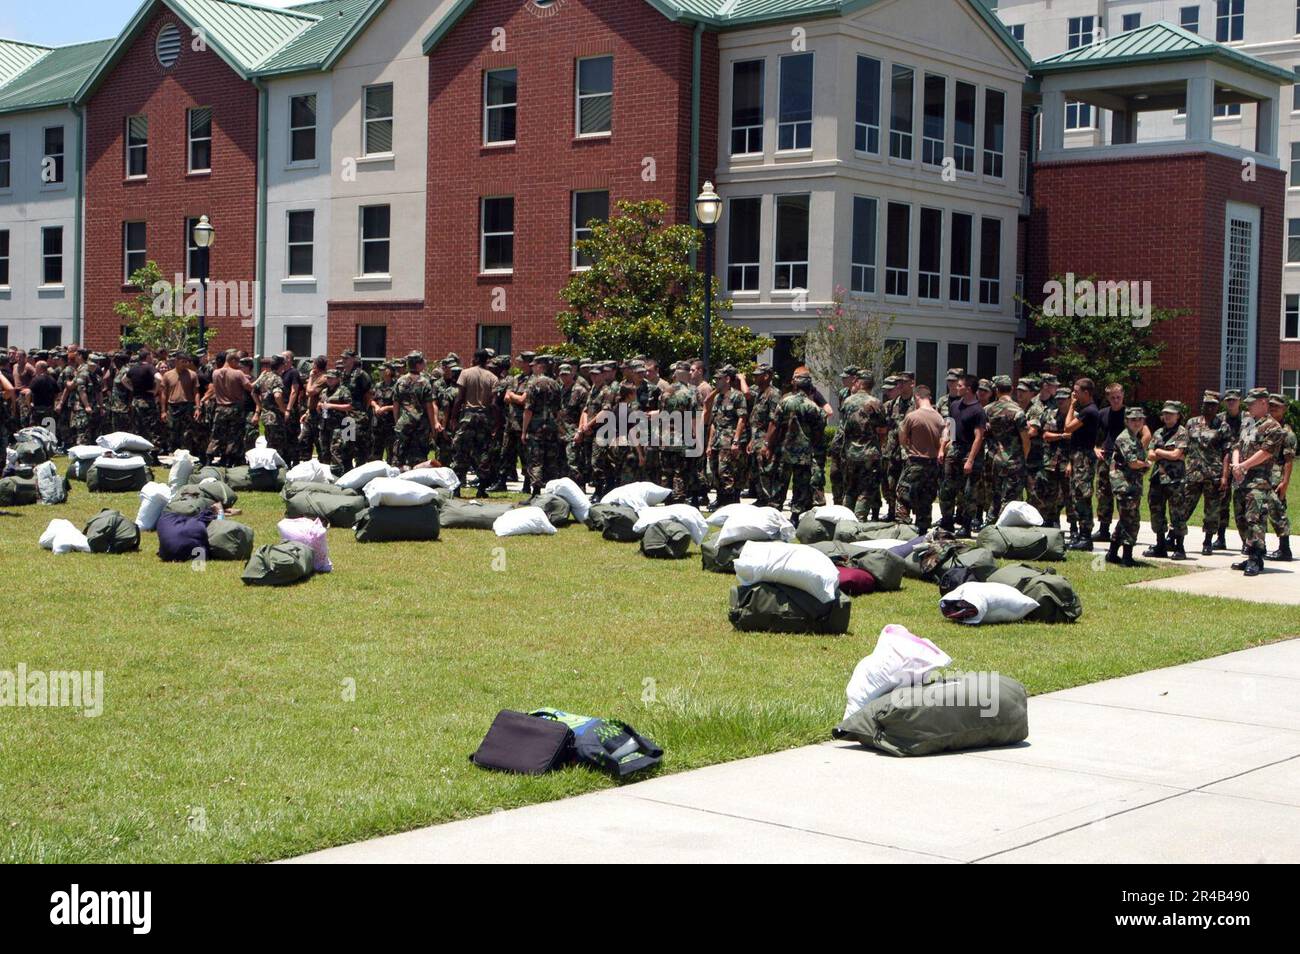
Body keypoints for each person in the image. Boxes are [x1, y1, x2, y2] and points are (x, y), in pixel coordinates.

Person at [1231, 389, 1286, 577]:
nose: (1248, 406)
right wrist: (1236, 465)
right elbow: (1237, 445)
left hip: (1259, 482)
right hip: (1241, 479)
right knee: (1240, 518)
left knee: (1255, 519)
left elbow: (1266, 452)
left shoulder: (1273, 427)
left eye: (1252, 403)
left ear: (1263, 402)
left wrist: (1244, 466)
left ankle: (1255, 557)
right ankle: (1251, 553)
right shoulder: (1247, 422)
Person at [767, 371, 824, 522]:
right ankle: (795, 516)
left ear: (796, 385)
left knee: (780, 483)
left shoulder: (785, 402)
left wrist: (768, 445)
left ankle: (774, 512)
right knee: (800, 486)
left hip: (784, 450)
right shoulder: (813, 407)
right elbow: (819, 432)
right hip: (804, 454)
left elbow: (774, 425)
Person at [938, 374, 987, 537]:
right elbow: (949, 427)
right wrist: (942, 448)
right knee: (947, 489)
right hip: (955, 449)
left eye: (959, 385)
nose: (956, 388)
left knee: (969, 492)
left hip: (970, 452)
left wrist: (971, 460)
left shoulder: (978, 411)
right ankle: (947, 522)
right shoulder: (954, 405)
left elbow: (979, 437)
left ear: (968, 389)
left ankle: (966, 525)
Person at [1185, 391, 1232, 556]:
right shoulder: (1191, 423)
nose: (1209, 407)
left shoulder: (1223, 426)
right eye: (1207, 404)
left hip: (1213, 475)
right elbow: (1184, 446)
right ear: (1202, 404)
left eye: (1213, 405)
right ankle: (1175, 537)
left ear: (1217, 406)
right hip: (1192, 473)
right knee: (1184, 506)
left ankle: (1208, 541)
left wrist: (1225, 476)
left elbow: (1227, 453)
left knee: (1212, 511)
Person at [838, 370, 888, 522]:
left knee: (850, 489)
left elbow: (843, 426)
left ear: (859, 383)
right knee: (866, 490)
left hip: (850, 452)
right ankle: (859, 520)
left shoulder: (847, 402)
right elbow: (882, 429)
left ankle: (845, 520)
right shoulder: (876, 403)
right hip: (870, 453)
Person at [1145, 401, 1190, 560]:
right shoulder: (1158, 432)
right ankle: (1160, 546)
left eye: (1171, 414)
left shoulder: (1181, 432)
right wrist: (1165, 452)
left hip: (1175, 480)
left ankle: (1180, 547)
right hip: (1158, 478)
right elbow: (1149, 455)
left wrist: (1158, 451)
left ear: (1178, 415)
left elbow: (1176, 455)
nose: (1168, 416)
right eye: (1165, 414)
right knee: (1156, 511)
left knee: (1177, 513)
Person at [451, 349, 500, 496]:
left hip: (467, 416)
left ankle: (457, 487)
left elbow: (459, 398)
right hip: (484, 417)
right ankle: (481, 488)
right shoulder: (492, 378)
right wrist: (496, 423)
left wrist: (453, 417)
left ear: (476, 358)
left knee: (461, 451)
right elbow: (494, 404)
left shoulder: (465, 373)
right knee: (483, 453)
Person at [1106, 407, 1150, 567]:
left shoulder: (1134, 438)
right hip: (1125, 485)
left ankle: (1112, 553)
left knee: (1126, 519)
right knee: (1131, 520)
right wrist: (1147, 463)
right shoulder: (1125, 438)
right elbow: (1132, 463)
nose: (1137, 422)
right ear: (1126, 421)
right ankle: (1127, 557)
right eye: (1133, 420)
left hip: (1131, 484)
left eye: (1139, 419)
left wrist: (1143, 465)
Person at [1061, 378, 1102, 550]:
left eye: (1076, 391)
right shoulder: (1085, 410)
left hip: (1084, 458)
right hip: (1077, 456)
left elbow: (1068, 427)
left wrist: (1071, 405)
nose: (1074, 394)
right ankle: (1080, 534)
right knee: (1076, 494)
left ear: (1086, 393)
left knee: (1083, 494)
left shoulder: (1090, 411)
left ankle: (1086, 535)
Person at [896, 385, 944, 531]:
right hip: (932, 464)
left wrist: (907, 447)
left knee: (903, 494)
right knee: (926, 498)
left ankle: (903, 529)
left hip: (915, 462)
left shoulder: (912, 416)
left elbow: (902, 437)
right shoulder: (939, 418)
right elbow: (945, 440)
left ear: (917, 397)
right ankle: (923, 530)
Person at [983, 375, 1030, 522]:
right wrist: (1024, 457)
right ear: (1012, 389)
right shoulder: (1018, 411)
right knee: (1011, 497)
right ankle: (1005, 525)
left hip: (994, 459)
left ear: (996, 390)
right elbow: (1025, 440)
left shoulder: (987, 410)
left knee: (995, 494)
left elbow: (983, 433)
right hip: (1014, 460)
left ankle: (990, 522)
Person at [1092, 383, 1131, 544]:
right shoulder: (1102, 414)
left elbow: (1145, 433)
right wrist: (1095, 448)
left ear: (1123, 396)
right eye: (1113, 397)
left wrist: (1134, 452)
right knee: (1103, 493)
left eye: (1118, 397)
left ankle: (1123, 529)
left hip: (1122, 459)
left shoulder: (1129, 414)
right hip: (1105, 457)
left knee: (1123, 494)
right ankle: (1103, 530)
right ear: (1108, 397)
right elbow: (1093, 433)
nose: (1116, 400)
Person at [707, 366, 748, 507]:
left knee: (726, 471)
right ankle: (721, 499)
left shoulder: (737, 396)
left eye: (719, 379)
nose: (716, 381)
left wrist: (736, 441)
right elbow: (713, 422)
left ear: (727, 379)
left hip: (729, 440)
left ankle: (730, 502)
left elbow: (742, 419)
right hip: (717, 440)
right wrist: (709, 444)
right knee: (715, 472)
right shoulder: (718, 397)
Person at [522, 355, 564, 489]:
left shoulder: (533, 384)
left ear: (540, 367)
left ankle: (536, 490)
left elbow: (528, 410)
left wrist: (524, 431)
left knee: (536, 460)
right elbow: (558, 411)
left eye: (534, 365)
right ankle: (551, 489)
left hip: (536, 428)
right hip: (551, 427)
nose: (532, 368)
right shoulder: (556, 384)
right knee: (551, 460)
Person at [392, 353, 440, 470]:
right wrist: (433, 427)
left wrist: (397, 421)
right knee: (419, 457)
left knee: (400, 455)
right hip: (420, 426)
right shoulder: (425, 382)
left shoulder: (400, 381)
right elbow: (429, 406)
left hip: (404, 423)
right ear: (418, 365)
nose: (425, 363)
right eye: (423, 362)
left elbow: (396, 404)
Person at [207, 350, 255, 465]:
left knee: (217, 434)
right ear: (232, 360)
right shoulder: (238, 373)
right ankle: (229, 459)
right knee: (234, 435)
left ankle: (209, 457)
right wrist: (260, 379)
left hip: (220, 407)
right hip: (235, 408)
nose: (239, 365)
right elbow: (249, 387)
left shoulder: (215, 373)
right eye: (237, 362)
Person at [746, 364, 783, 508]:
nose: (754, 377)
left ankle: (771, 503)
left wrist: (768, 444)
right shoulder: (760, 393)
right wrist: (751, 441)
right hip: (756, 440)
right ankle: (762, 499)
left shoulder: (773, 394)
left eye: (758, 375)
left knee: (767, 473)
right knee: (757, 473)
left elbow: (774, 421)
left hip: (766, 441)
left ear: (766, 376)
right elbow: (756, 420)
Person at [1266, 393, 1295, 562]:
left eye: (1277, 405)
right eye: (1271, 405)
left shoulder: (1287, 433)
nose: (1273, 408)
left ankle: (1285, 549)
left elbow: (1289, 461)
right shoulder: (1268, 427)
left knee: (1278, 512)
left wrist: (1285, 482)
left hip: (1276, 479)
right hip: (1264, 476)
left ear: (1284, 409)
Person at [160, 351, 199, 455]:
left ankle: (187, 453)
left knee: (187, 432)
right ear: (176, 361)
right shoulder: (168, 375)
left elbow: (196, 393)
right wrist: (163, 411)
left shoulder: (192, 375)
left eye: (186, 362)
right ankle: (173, 452)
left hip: (187, 405)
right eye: (182, 362)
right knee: (173, 431)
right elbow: (163, 394)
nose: (185, 364)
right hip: (173, 406)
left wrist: (197, 408)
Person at [252, 355, 289, 458]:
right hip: (275, 416)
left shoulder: (264, 376)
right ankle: (276, 468)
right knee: (277, 445)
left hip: (265, 414)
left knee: (269, 441)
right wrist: (283, 409)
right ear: (280, 366)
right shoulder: (277, 379)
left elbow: (253, 393)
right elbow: (277, 395)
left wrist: (260, 406)